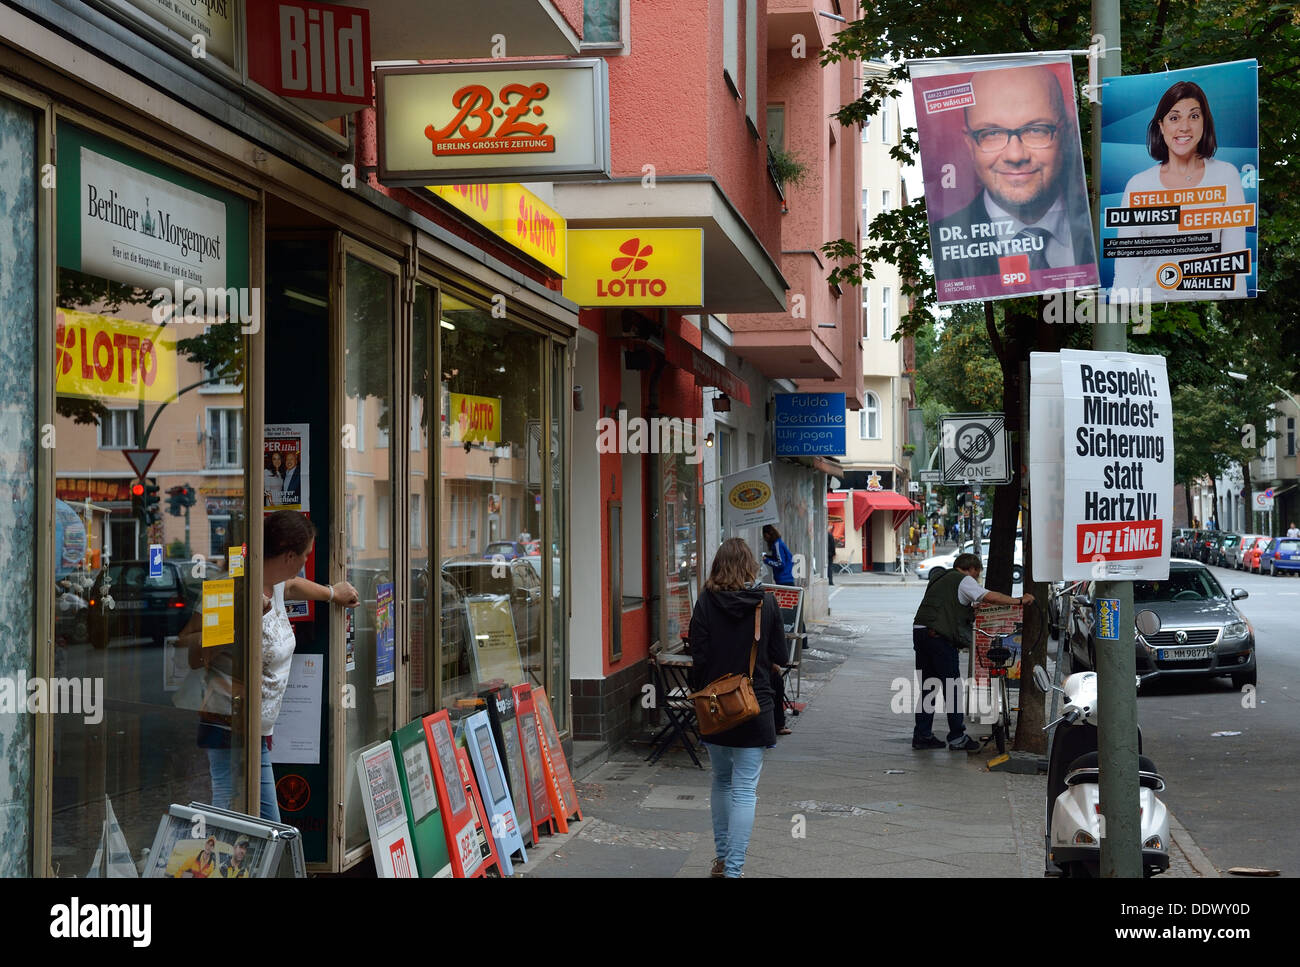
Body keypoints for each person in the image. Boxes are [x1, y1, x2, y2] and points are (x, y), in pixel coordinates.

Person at [186, 510, 359, 820]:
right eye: (305, 555)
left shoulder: (276, 584)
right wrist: (242, 618)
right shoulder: (231, 588)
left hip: (257, 725)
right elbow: (192, 651)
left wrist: (333, 594)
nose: (306, 563)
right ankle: (211, 863)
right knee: (230, 803)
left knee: (265, 819)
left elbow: (293, 586)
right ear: (288, 555)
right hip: (228, 718)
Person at [933, 65, 1095, 282]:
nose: (1015, 155)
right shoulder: (942, 241)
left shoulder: (1099, 226)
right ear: (970, 145)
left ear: (1065, 134)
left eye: (1036, 130)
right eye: (992, 133)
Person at [688, 538, 787, 878]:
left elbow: (697, 659)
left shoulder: (704, 604)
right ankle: (733, 870)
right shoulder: (767, 603)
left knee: (721, 782)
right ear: (749, 566)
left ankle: (720, 858)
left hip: (715, 707)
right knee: (745, 789)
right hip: (754, 705)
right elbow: (782, 657)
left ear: (718, 566)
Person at [1110, 81, 1246, 300]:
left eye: (1194, 116)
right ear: (1161, 126)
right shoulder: (1139, 185)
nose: (1184, 127)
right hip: (1150, 310)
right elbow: (1126, 267)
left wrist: (1235, 304)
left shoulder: (1226, 176)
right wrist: (1118, 315)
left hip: (1205, 307)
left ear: (1204, 122)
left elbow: (1234, 262)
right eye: (1174, 118)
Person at [912, 552, 1034, 751]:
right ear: (973, 569)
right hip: (939, 639)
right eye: (977, 575)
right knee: (952, 688)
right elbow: (990, 596)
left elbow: (947, 607)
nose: (976, 579)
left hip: (921, 632)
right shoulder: (964, 581)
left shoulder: (940, 578)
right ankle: (957, 737)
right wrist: (1019, 601)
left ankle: (922, 735)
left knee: (929, 686)